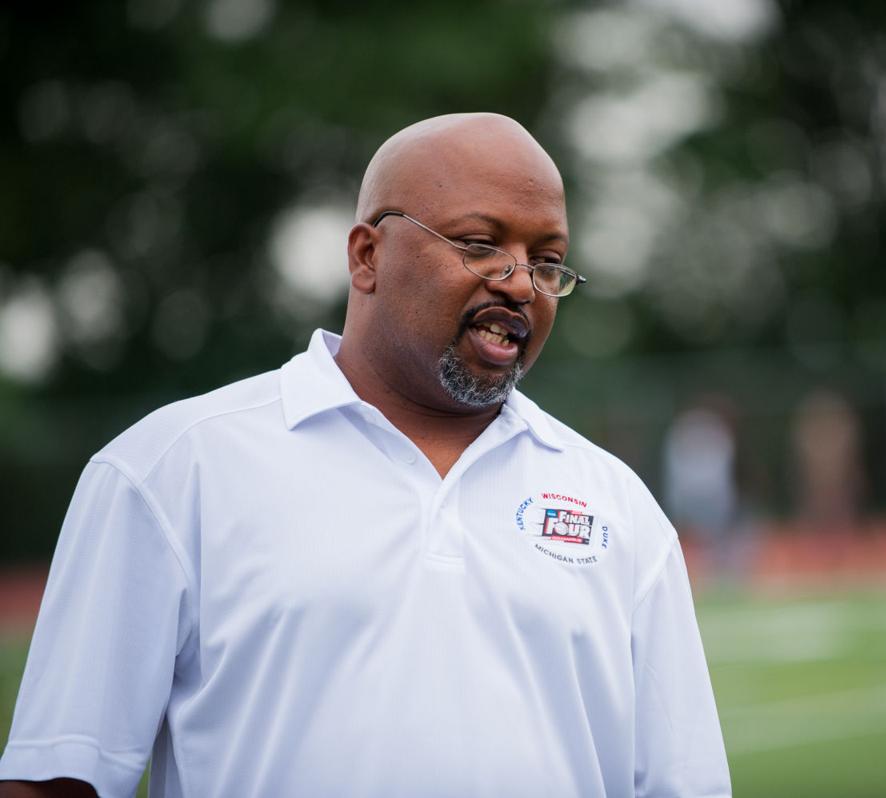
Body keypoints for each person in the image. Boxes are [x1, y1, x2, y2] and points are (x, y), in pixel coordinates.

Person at [0, 114, 730, 798]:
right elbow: (57, 777)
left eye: (548, 262)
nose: (519, 283)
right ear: (368, 255)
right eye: (480, 244)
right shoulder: (171, 470)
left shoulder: (619, 507)